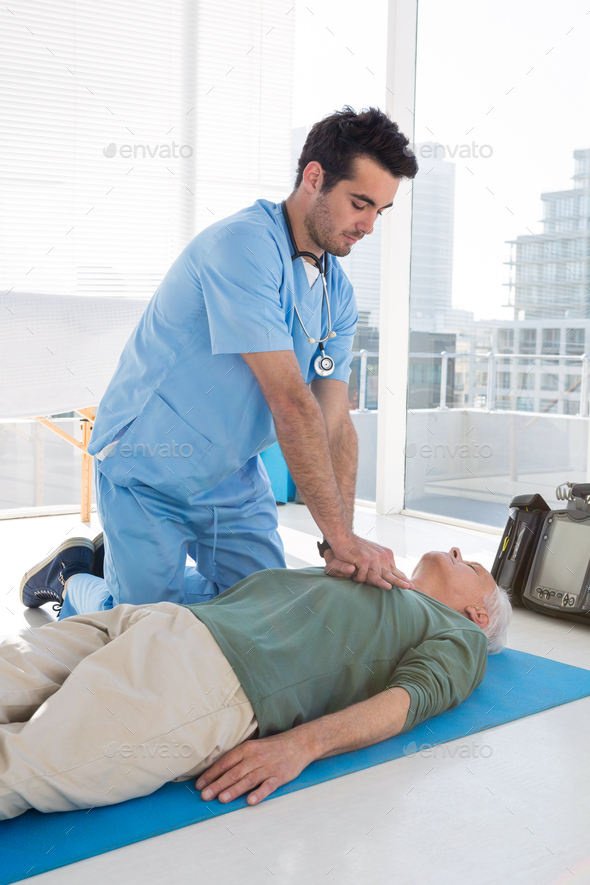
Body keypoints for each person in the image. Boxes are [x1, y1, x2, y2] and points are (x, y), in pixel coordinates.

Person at [19, 106, 419, 618]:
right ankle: (74, 575)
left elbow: (335, 422)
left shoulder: (336, 294)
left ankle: (118, 568)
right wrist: (342, 537)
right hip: (147, 468)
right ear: (314, 178)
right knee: (142, 631)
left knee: (267, 614)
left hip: (231, 477)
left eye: (379, 212)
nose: (367, 226)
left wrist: (334, 540)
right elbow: (292, 403)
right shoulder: (242, 246)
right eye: (359, 203)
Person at [1, 546, 511, 819]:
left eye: (474, 566)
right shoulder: (382, 576)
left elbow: (407, 702)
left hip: (208, 679)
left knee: (19, 771)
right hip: (168, 621)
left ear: (476, 614)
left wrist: (300, 746)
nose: (456, 549)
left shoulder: (461, 637)